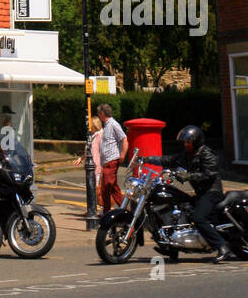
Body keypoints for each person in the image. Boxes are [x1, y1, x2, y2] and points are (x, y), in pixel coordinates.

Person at [143, 125, 233, 263]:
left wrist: (188, 176)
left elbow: (209, 174)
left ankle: (222, 247)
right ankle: (172, 248)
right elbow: (168, 160)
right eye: (185, 142)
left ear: (196, 142)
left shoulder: (206, 154)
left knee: (198, 218)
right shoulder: (186, 155)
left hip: (212, 192)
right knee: (179, 212)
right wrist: (146, 159)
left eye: (188, 142)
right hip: (201, 193)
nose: (186, 144)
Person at [97, 104, 128, 212]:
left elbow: (124, 139)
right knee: (114, 190)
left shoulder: (114, 124)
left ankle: (106, 213)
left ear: (102, 113)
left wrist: (122, 155)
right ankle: (126, 212)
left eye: (98, 113)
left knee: (105, 188)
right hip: (107, 161)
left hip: (111, 161)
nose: (98, 115)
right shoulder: (106, 125)